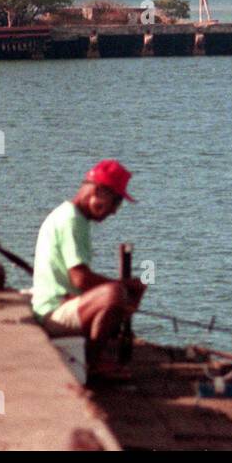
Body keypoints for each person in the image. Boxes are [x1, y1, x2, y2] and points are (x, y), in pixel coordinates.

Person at [31, 159, 145, 375]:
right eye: (116, 202)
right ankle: (91, 364)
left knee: (118, 292)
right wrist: (125, 287)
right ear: (99, 192)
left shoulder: (74, 218)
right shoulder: (71, 220)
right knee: (114, 294)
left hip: (59, 304)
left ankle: (93, 355)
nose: (114, 212)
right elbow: (80, 279)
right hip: (51, 313)